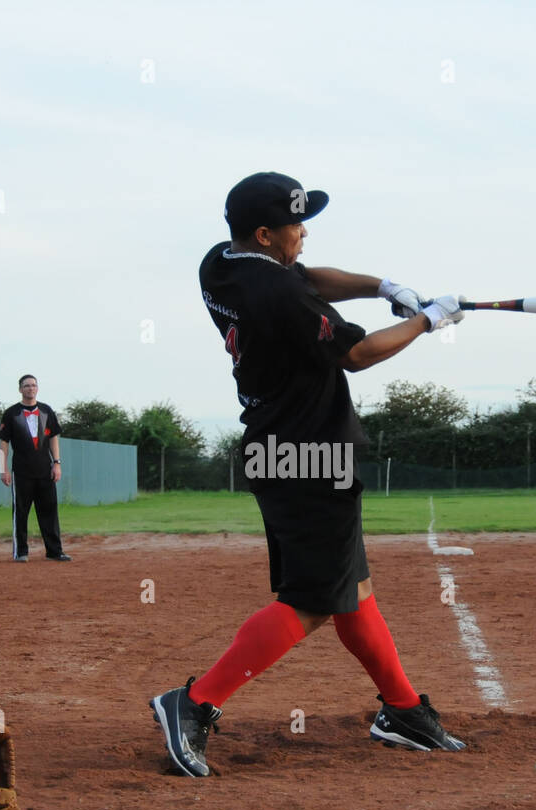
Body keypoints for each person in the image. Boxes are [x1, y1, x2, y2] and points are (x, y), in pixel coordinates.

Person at [150, 171, 468, 778]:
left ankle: (401, 710)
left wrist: (383, 287)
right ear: (266, 234)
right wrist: (428, 321)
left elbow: (306, 276)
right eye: (296, 225)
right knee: (311, 603)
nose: (304, 234)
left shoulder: (221, 263)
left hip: (279, 447)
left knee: (352, 591)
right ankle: (192, 704)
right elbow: (357, 353)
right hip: (311, 456)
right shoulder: (283, 299)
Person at [0, 374, 70, 562]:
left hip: (45, 470)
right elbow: (3, 442)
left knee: (49, 510)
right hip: (21, 471)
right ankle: (21, 552)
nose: (30, 388)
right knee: (20, 512)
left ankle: (54, 551)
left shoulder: (46, 411)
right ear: (20, 389)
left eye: (33, 385)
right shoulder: (11, 413)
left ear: (37, 388)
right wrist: (2, 468)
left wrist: (57, 463)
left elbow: (53, 437)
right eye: (26, 385)